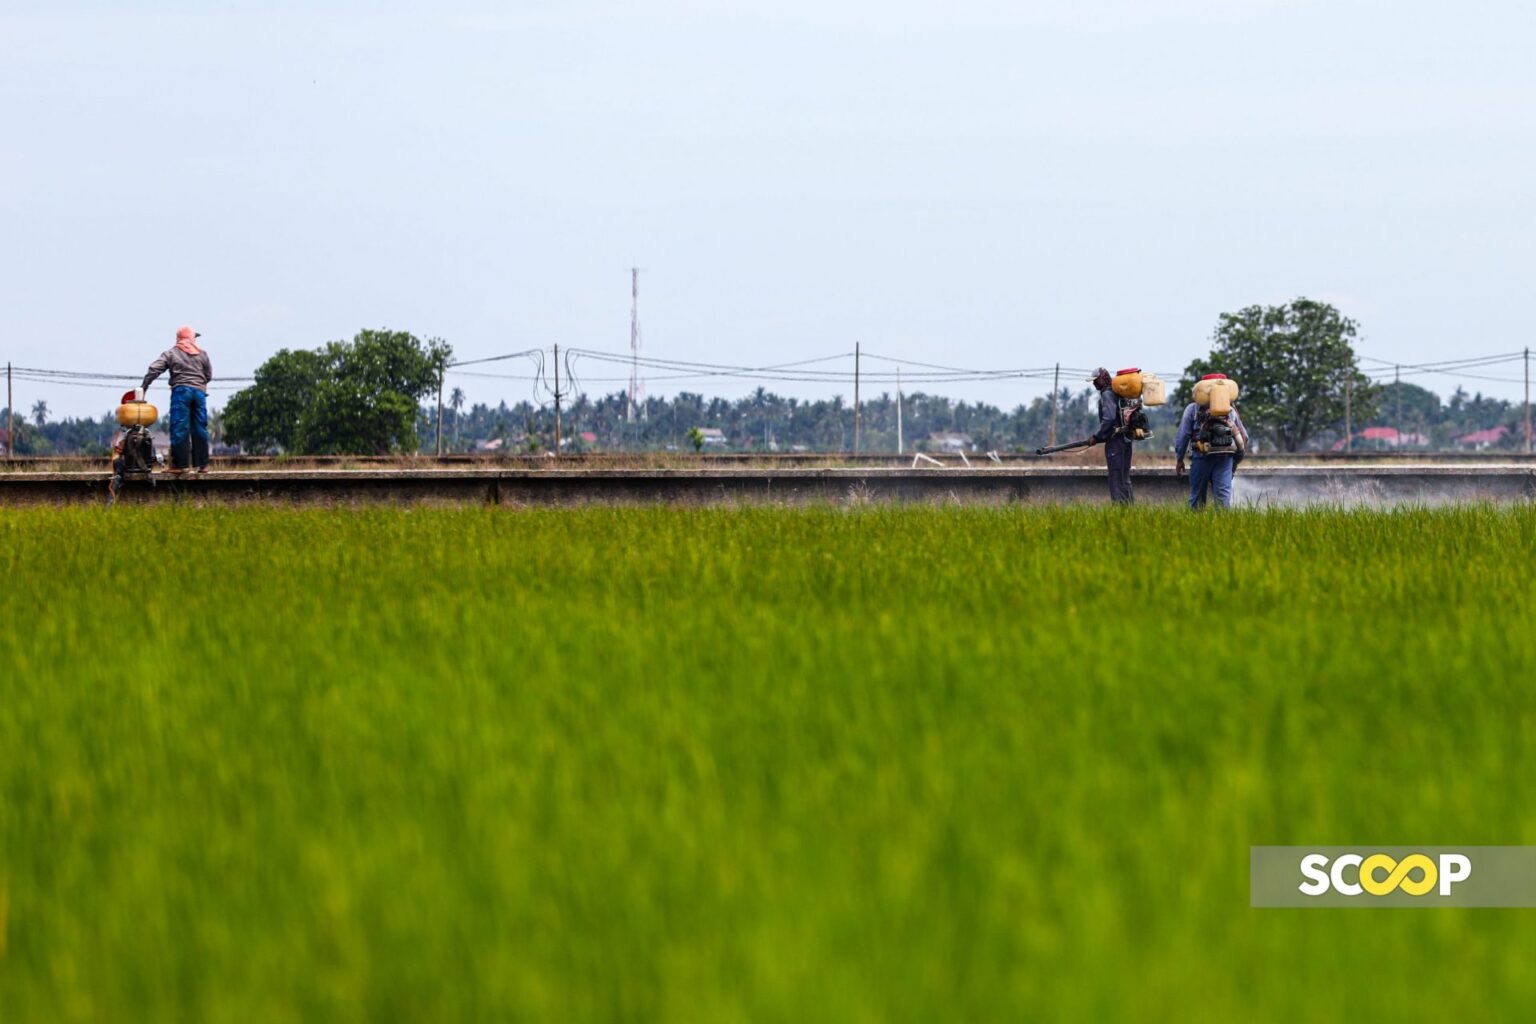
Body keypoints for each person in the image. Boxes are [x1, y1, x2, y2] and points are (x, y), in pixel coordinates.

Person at [143, 326, 213, 475]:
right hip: (199, 394)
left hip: (181, 392)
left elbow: (154, 369)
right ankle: (202, 465)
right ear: (191, 338)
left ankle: (179, 465)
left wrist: (144, 387)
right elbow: (208, 375)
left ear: (179, 339)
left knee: (180, 427)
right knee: (200, 428)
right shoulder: (203, 354)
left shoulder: (171, 353)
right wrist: (198, 384)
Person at [1174, 373, 1249, 509]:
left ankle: (1196, 521)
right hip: (1225, 458)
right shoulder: (1230, 410)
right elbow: (1244, 437)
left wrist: (1179, 459)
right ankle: (1223, 521)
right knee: (1223, 499)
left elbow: (1183, 436)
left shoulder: (1192, 409)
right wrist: (1235, 462)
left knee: (1197, 497)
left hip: (1201, 456)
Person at [1087, 367, 1133, 504]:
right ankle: (1130, 508)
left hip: (1115, 443)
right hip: (1126, 440)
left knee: (1116, 478)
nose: (1094, 384)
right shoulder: (1117, 393)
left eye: (1096, 381)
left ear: (1102, 379)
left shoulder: (1107, 394)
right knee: (1124, 477)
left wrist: (1096, 436)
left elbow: (1109, 418)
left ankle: (1119, 509)